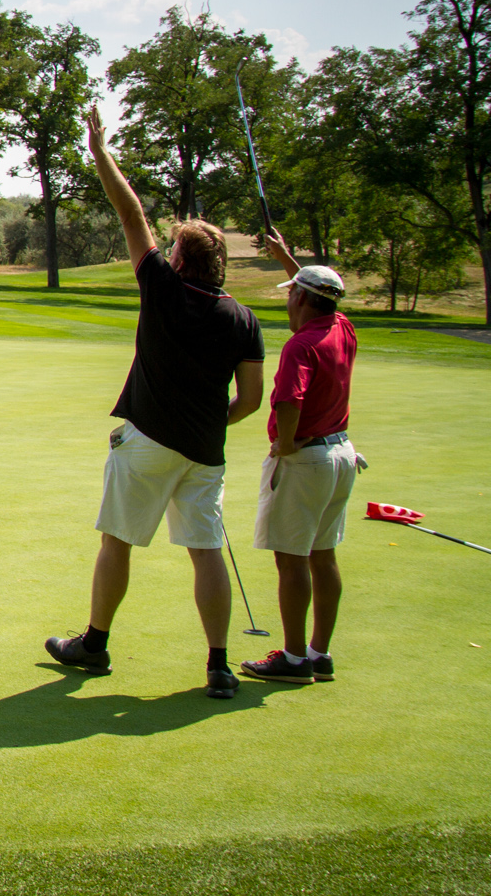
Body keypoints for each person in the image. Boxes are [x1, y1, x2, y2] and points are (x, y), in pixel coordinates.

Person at [45, 107, 265, 699]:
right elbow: (252, 399)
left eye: (171, 248)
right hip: (205, 451)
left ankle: (93, 644)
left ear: (181, 259)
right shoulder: (243, 318)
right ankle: (218, 665)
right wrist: (210, 421)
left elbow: (131, 210)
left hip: (146, 443)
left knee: (117, 540)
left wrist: (98, 151)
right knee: (205, 551)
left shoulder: (163, 288)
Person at [240, 232, 359, 686]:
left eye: (292, 295)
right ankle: (319, 654)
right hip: (341, 454)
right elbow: (320, 293)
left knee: (290, 561)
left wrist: (285, 443)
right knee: (322, 556)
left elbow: (289, 400)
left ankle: (292, 659)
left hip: (305, 458)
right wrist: (287, 260)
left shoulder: (299, 346)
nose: (287, 302)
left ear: (303, 300)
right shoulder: (340, 327)